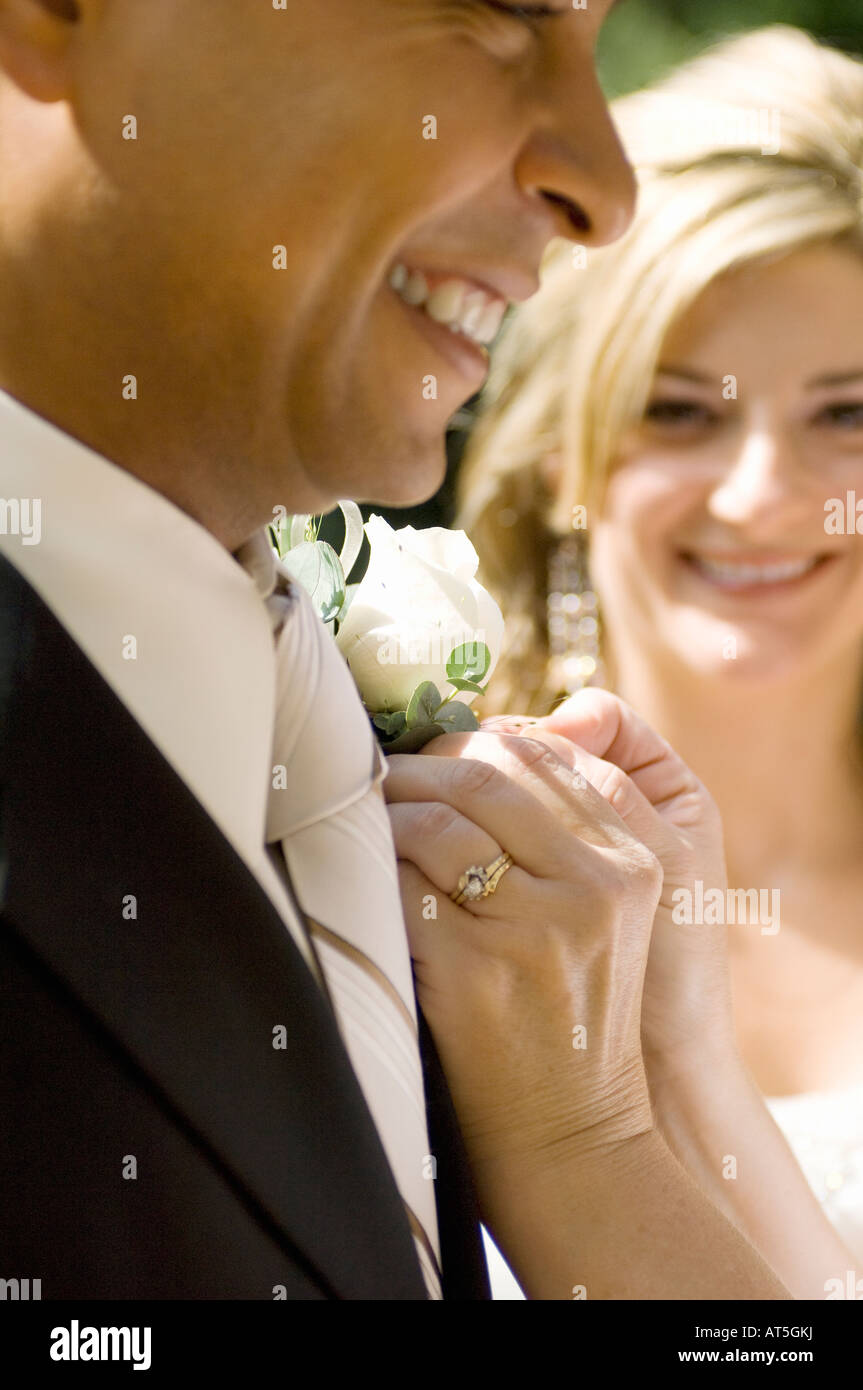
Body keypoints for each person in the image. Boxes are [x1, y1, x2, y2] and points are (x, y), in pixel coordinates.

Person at [0, 0, 843, 1303]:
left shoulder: (461, 835)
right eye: (499, 11)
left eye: (843, 414)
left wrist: (637, 1096)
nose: (599, 186)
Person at [455, 23, 863, 1286]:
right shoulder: (429, 860)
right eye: (678, 410)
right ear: (556, 451)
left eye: (845, 412)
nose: (759, 496)